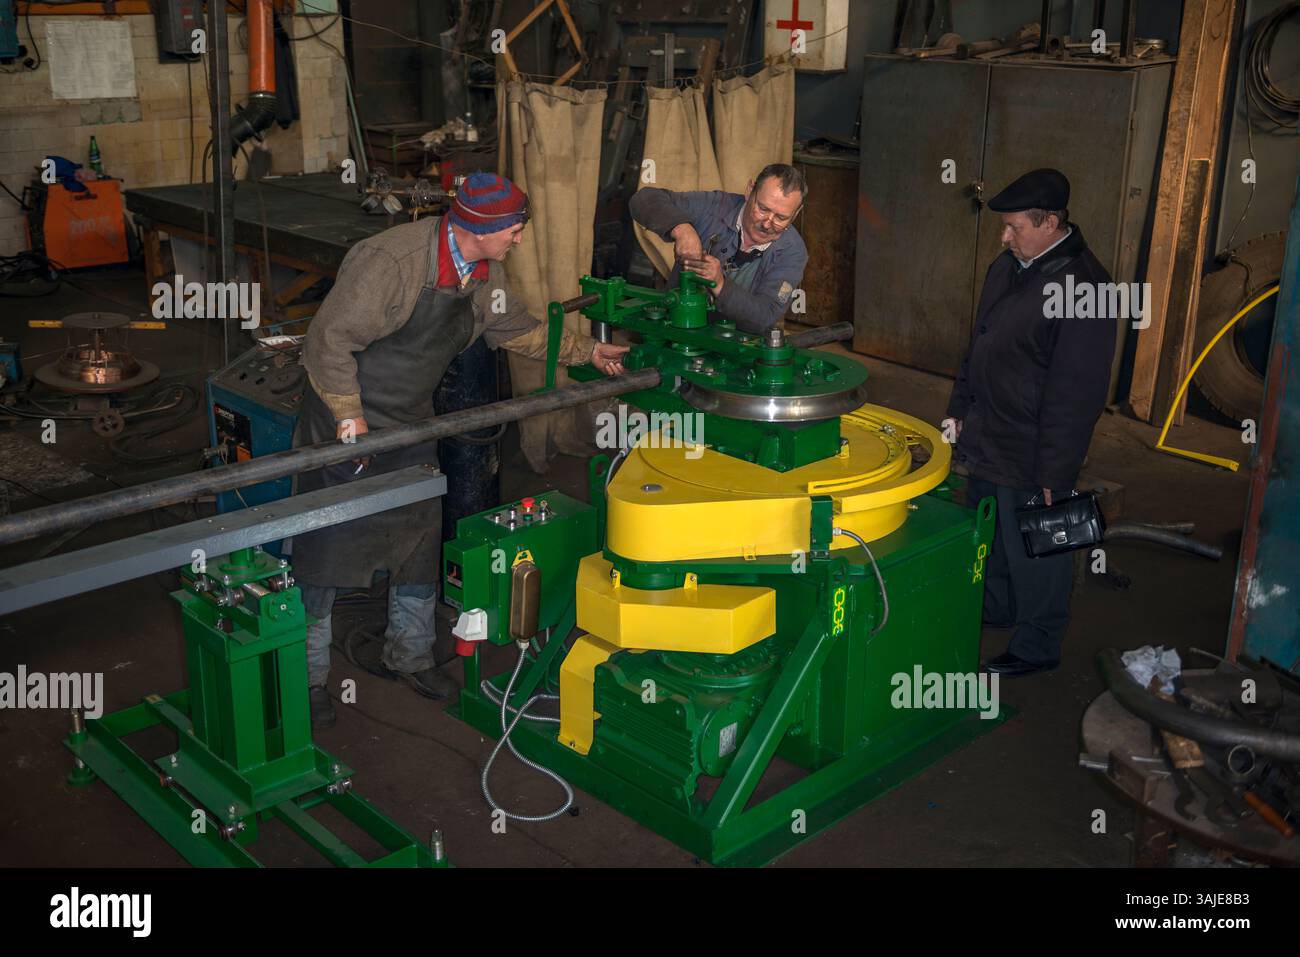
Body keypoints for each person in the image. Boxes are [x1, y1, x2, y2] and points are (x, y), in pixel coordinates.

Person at [292, 172, 629, 727]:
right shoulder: (392, 264)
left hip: (412, 424)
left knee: (418, 545)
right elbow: (328, 343)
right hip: (345, 421)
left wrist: (588, 351)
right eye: (515, 230)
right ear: (482, 227)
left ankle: (410, 655)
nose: (519, 239)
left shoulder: (482, 274)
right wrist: (351, 420)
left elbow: (516, 329)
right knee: (326, 555)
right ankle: (305, 678)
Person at [944, 168, 1115, 678]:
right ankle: (996, 609)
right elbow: (978, 347)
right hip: (987, 433)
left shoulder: (1087, 290)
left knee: (1041, 547)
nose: (1004, 235)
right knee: (991, 535)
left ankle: (1039, 643)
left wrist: (1055, 476)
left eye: (1014, 226)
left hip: (1033, 449)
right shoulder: (1008, 267)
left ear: (1050, 222)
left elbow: (1077, 396)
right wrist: (957, 411)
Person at [628, 163, 809, 333]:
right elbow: (644, 199)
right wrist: (682, 229)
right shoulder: (715, 206)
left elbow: (765, 315)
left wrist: (720, 284)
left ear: (797, 213)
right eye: (762, 209)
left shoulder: (792, 252)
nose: (768, 224)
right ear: (749, 191)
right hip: (675, 330)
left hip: (738, 349)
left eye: (781, 218)